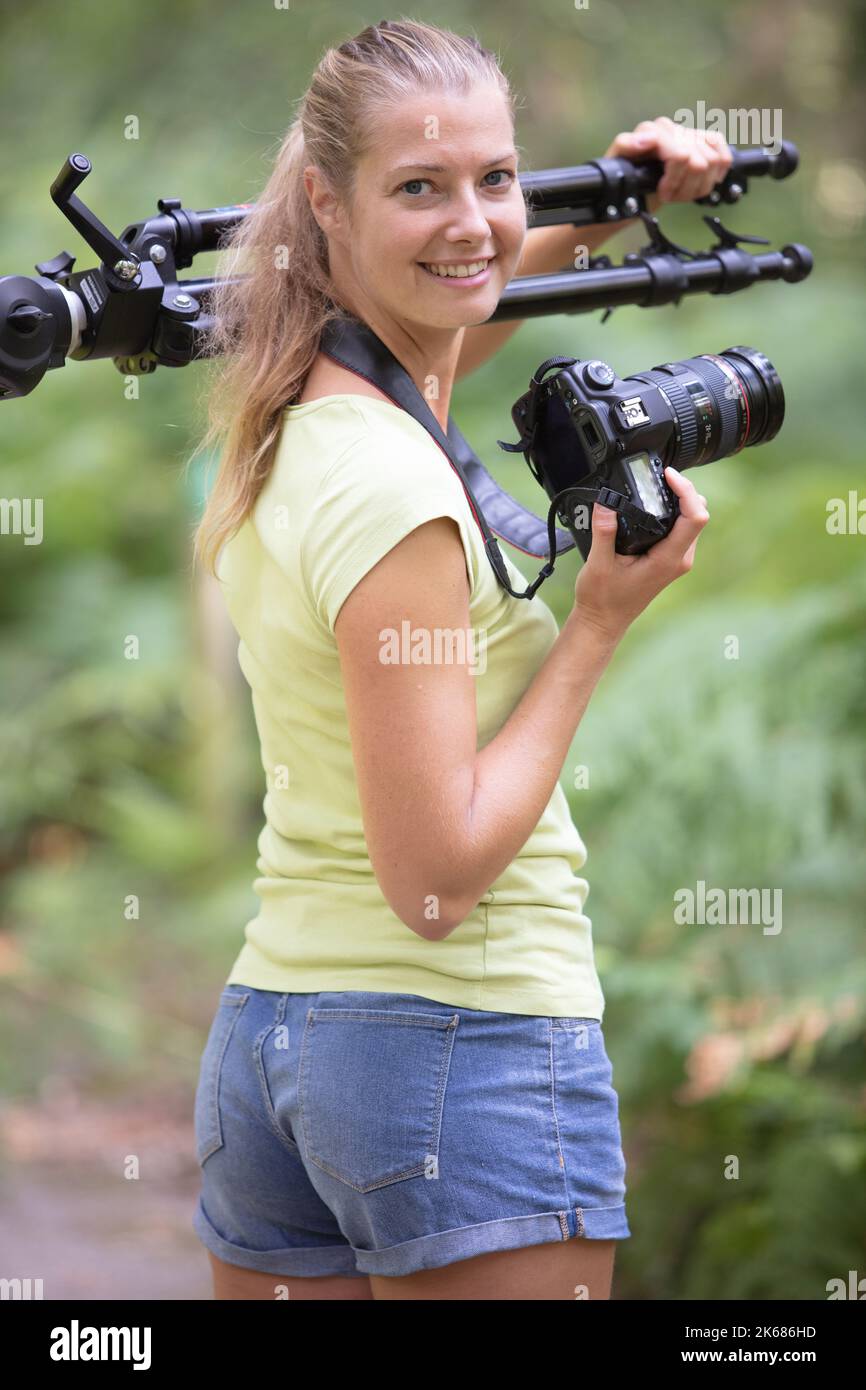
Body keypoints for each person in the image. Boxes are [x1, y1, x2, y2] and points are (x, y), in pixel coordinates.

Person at [189, 17, 725, 1301]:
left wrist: (597, 206)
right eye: (418, 188)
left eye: (495, 178)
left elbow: (442, 323)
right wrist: (596, 623)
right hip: (457, 1044)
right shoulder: (396, 494)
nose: (474, 221)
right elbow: (433, 880)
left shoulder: (297, 409)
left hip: (278, 1048)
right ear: (326, 202)